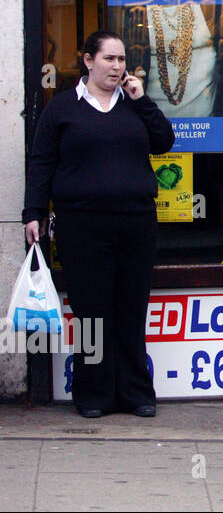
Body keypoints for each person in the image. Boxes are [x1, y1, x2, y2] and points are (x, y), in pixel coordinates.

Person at [23, 31, 175, 418]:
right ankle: (93, 394)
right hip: (82, 225)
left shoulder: (134, 105)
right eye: (109, 59)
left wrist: (143, 101)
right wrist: (33, 212)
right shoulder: (62, 109)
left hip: (136, 223)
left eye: (122, 60)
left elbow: (163, 142)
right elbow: (41, 162)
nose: (117, 67)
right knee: (92, 311)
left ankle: (136, 393)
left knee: (130, 306)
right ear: (88, 60)